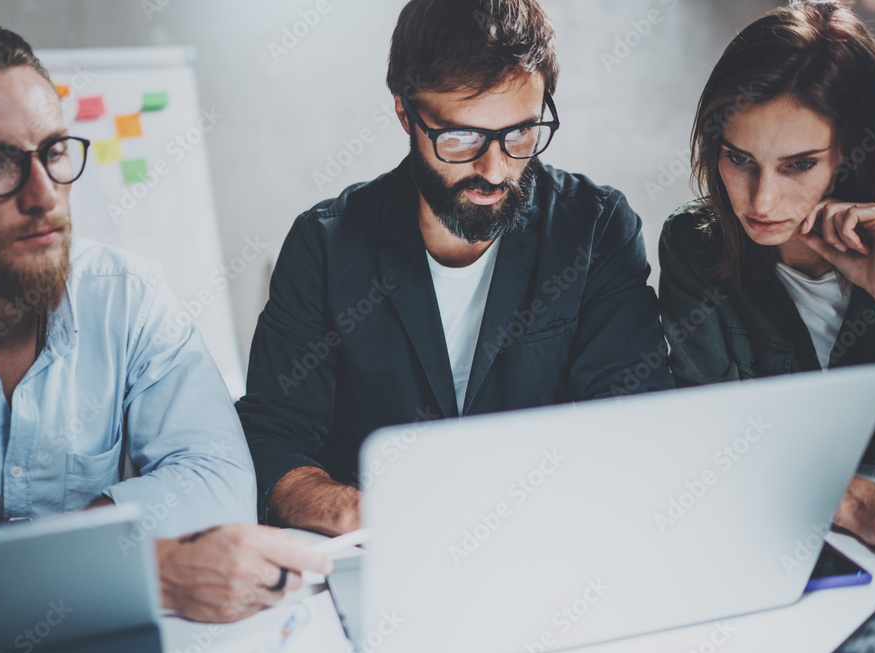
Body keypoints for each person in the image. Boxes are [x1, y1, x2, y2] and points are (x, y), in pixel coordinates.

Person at [0, 24, 330, 624]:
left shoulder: (126, 296)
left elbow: (219, 482)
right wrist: (143, 569)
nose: (44, 195)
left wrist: (34, 566)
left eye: (54, 152)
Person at [237, 0, 674, 536]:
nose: (496, 170)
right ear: (404, 111)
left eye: (520, 133)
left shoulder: (595, 231)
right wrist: (346, 508)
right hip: (381, 552)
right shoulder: (324, 245)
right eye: (462, 138)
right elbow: (271, 432)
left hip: (554, 542)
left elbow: (634, 423)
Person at [659, 1, 875, 564]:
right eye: (739, 159)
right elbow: (713, 438)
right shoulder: (695, 243)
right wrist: (857, 501)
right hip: (773, 543)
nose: (761, 201)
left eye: (799, 165)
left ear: (852, 154)